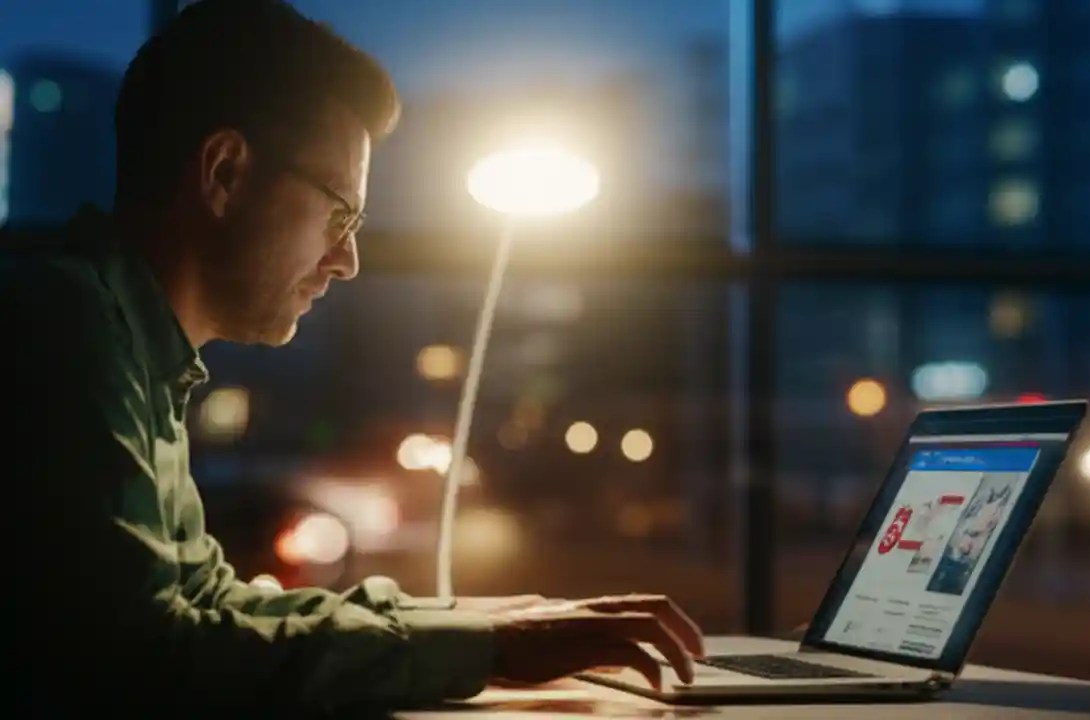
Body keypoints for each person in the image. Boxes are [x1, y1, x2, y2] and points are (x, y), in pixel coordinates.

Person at [0, 0, 702, 715]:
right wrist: (489, 650)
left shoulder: (125, 341)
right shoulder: (64, 333)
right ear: (224, 172)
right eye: (340, 214)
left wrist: (469, 626)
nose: (348, 261)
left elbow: (205, 600)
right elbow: (147, 654)